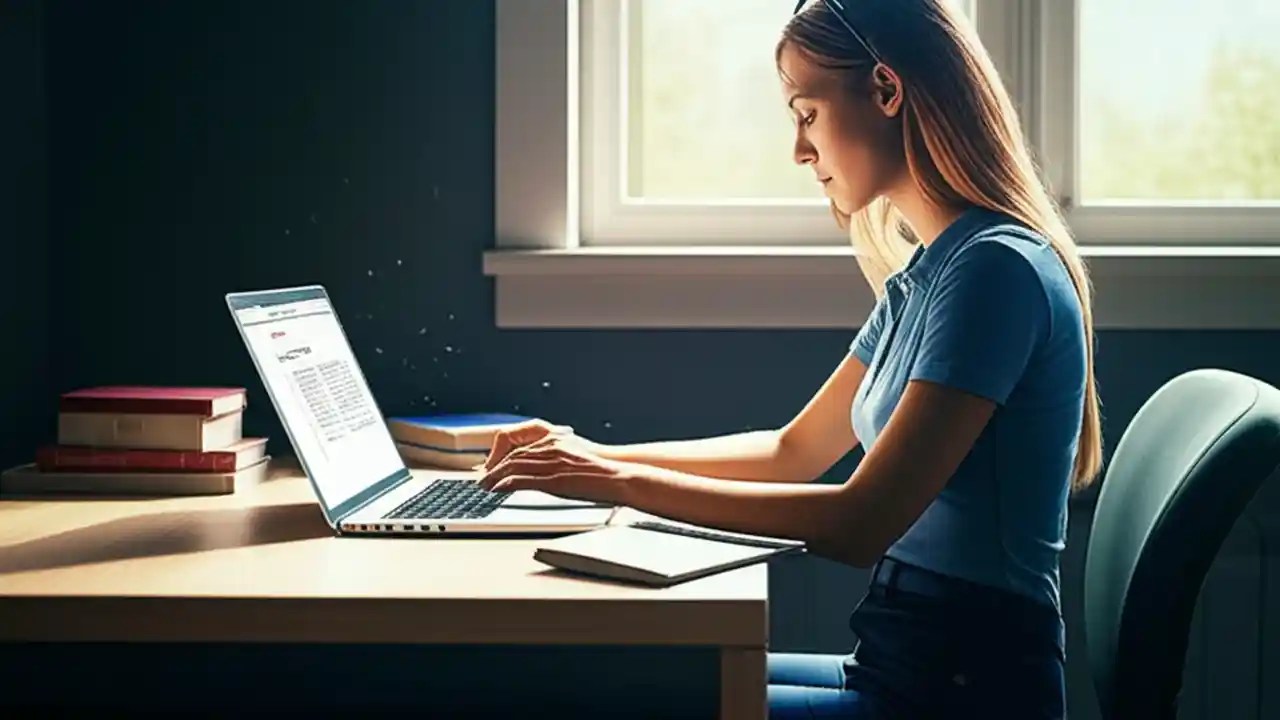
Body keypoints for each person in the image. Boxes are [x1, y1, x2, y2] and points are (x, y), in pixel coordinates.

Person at [479, 0, 1101, 717]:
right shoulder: (929, 274)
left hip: (960, 693)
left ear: (887, 90)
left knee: (635, 697)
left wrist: (618, 483)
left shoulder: (996, 273)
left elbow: (859, 523)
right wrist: (591, 456)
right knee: (630, 678)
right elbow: (792, 450)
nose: (799, 151)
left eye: (806, 113)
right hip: (901, 663)